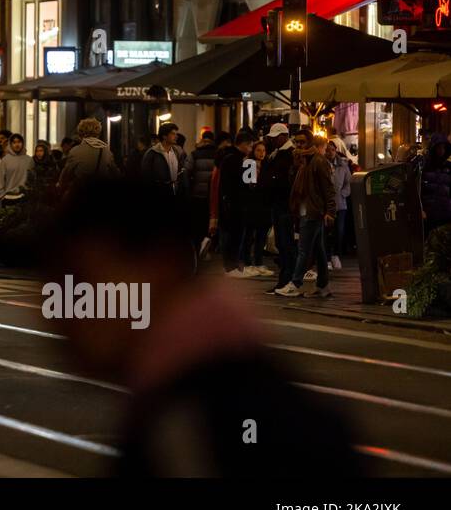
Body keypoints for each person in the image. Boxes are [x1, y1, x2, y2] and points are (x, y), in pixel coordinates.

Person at [44, 178, 363, 477]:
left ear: (158, 269)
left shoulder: (187, 432)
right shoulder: (219, 384)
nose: (57, 311)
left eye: (79, 283)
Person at [277, 133, 336, 298]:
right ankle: (323, 286)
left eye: (302, 142)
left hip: (312, 211)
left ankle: (295, 283)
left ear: (310, 142)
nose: (299, 145)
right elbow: (294, 185)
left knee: (303, 250)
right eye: (297, 142)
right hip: (305, 210)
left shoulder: (318, 161)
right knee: (318, 250)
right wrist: (295, 165)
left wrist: (330, 211)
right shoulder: (303, 161)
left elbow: (328, 189)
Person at [261, 124, 301, 294]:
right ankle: (284, 279)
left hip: (285, 204)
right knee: (281, 243)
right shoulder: (276, 154)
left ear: (284, 136)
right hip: (277, 204)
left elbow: (285, 180)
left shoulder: (289, 155)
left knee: (286, 244)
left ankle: (287, 279)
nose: (273, 140)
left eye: (276, 137)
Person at [210, 128, 255, 276]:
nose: (250, 149)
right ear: (243, 144)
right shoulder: (232, 159)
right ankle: (231, 267)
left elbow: (250, 183)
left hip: (237, 204)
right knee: (233, 237)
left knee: (237, 236)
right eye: (249, 146)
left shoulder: (242, 159)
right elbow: (233, 184)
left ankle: (234, 266)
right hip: (234, 204)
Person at [57, 117, 119, 195]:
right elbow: (115, 173)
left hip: (81, 193)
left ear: (80, 133)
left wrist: (60, 186)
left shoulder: (76, 151)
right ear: (98, 133)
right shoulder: (106, 151)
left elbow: (66, 173)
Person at [240, 140, 275, 276]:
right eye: (258, 150)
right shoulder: (249, 164)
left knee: (261, 236)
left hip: (264, 205)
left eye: (263, 151)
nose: (261, 153)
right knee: (249, 235)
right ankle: (247, 262)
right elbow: (249, 185)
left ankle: (259, 262)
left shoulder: (267, 165)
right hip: (251, 205)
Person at [0, 133, 35, 222]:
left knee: (21, 225)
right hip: (8, 198)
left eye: (19, 142)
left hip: (24, 198)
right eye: (14, 142)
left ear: (22, 143)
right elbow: (0, 179)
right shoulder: (5, 160)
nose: (17, 144)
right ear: (10, 144)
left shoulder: (29, 160)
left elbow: (32, 179)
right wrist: (1, 195)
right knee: (7, 225)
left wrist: (30, 194)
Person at [187, 130, 218, 254]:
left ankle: (197, 246)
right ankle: (208, 246)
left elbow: (187, 171)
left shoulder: (194, 154)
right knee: (209, 221)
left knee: (198, 222)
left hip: (197, 194)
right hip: (212, 195)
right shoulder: (218, 154)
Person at [326, 139, 352, 271]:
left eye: (332, 149)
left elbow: (349, 182)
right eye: (327, 149)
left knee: (339, 231)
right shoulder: (322, 163)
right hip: (326, 204)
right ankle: (327, 257)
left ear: (336, 150)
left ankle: (336, 255)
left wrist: (343, 194)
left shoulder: (342, 164)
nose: (329, 152)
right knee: (326, 231)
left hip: (340, 204)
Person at [140, 122, 183, 197]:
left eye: (176, 134)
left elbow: (180, 173)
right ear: (164, 136)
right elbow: (145, 176)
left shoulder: (176, 152)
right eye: (173, 134)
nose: (176, 136)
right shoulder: (152, 153)